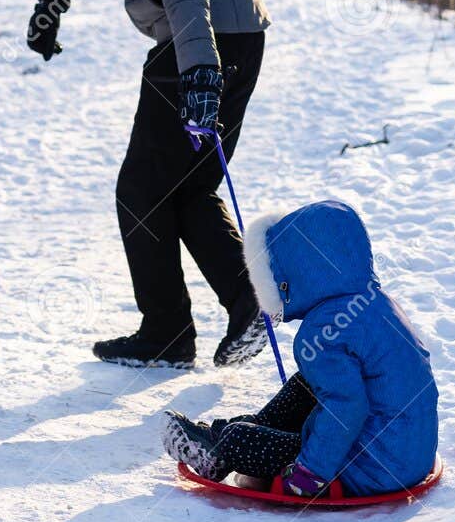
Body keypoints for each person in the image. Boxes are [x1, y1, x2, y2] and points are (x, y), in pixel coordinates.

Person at [26, 0, 271, 369]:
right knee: (185, 190)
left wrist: (201, 72)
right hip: (227, 36)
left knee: (141, 192)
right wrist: (53, 2)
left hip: (207, 38)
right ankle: (244, 309)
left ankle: (167, 331)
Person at [162, 201, 439, 497]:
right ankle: (243, 430)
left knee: (240, 439)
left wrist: (310, 474)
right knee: (307, 383)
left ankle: (221, 449)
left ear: (291, 277)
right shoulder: (378, 302)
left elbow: (347, 408)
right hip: (408, 453)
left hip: (368, 466)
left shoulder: (322, 330)